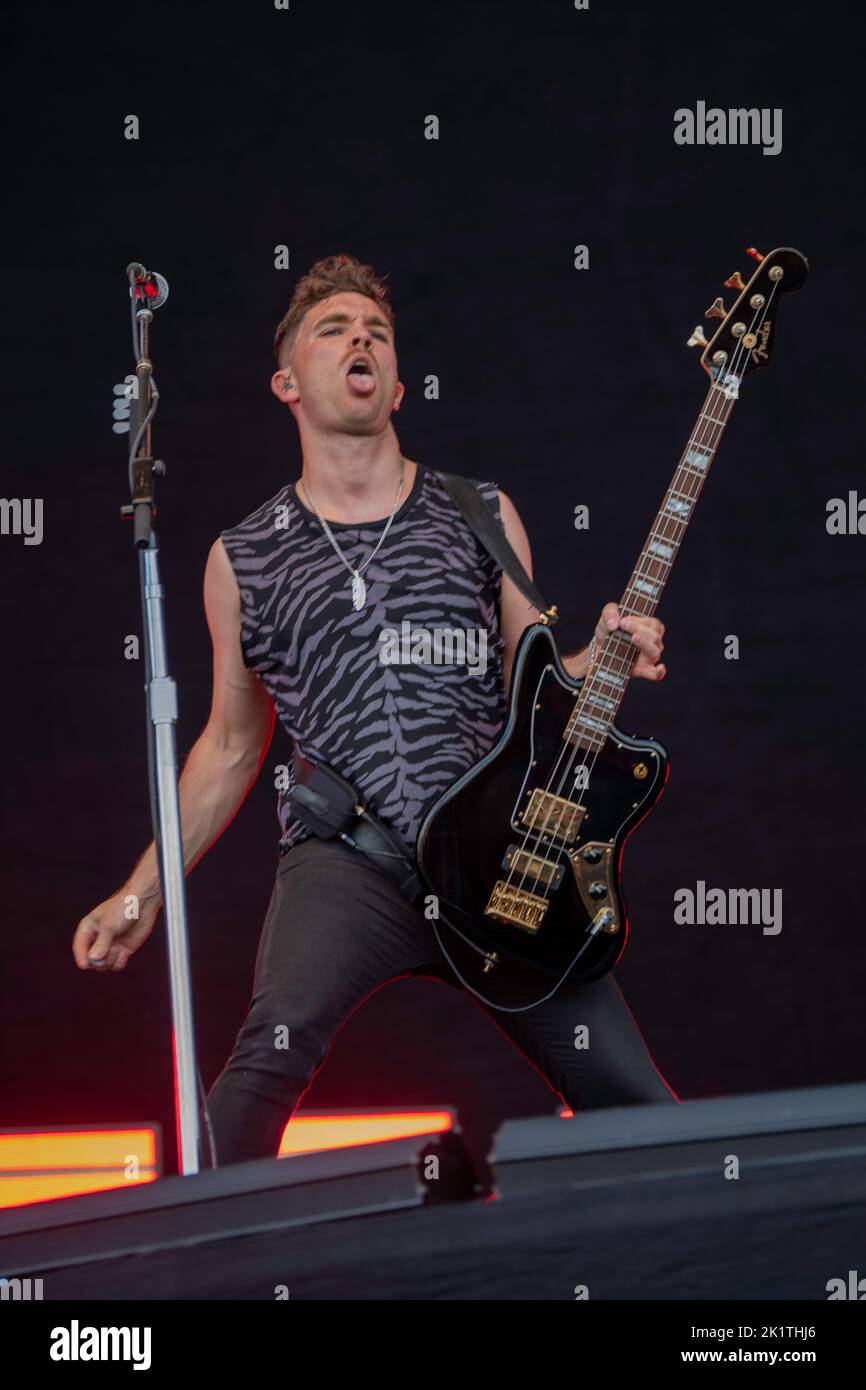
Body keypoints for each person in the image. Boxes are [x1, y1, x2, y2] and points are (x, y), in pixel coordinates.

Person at [73, 253, 678, 1166]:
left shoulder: (482, 512)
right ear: (288, 383)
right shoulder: (241, 559)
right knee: (265, 1061)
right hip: (348, 859)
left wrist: (608, 657)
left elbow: (542, 685)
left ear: (397, 385)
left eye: (379, 333)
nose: (362, 337)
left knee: (637, 1100)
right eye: (334, 328)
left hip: (496, 854)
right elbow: (232, 747)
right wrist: (141, 891)